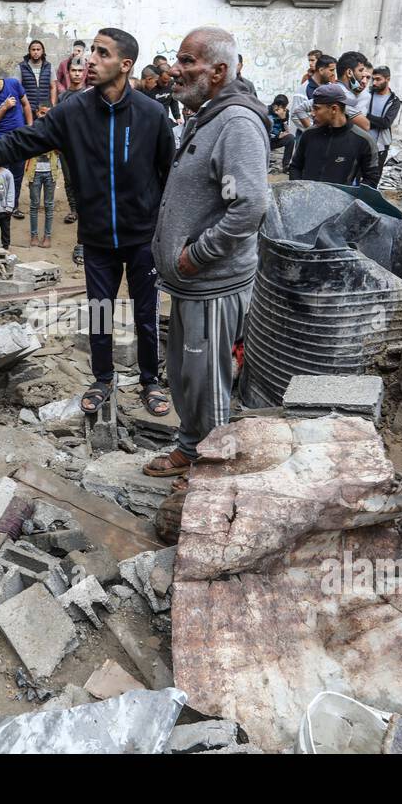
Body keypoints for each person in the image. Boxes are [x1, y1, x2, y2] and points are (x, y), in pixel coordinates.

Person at [0, 28, 175, 419]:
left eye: (102, 53)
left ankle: (150, 381)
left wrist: (165, 232)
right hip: (96, 238)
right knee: (99, 310)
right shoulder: (73, 111)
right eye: (90, 51)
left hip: (143, 236)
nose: (89, 60)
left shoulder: (151, 114)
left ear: (125, 65)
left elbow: (167, 174)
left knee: (146, 312)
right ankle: (103, 379)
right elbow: (18, 142)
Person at [144, 27, 269, 477]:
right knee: (185, 375)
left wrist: (195, 255)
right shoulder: (208, 115)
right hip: (192, 285)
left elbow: (250, 205)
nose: (175, 70)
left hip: (213, 284)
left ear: (218, 71)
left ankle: (213, 479)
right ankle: (191, 447)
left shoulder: (236, 124)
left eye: (187, 61)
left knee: (209, 384)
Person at [289, 83, 381, 187]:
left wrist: (350, 198)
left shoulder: (363, 140)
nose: (312, 113)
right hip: (306, 200)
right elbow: (295, 167)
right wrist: (299, 189)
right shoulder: (308, 135)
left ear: (334, 109)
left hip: (340, 202)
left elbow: (371, 179)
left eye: (316, 108)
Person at [0, 69, 32, 219]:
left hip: (19, 137)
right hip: (0, 139)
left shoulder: (13, 84)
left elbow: (26, 105)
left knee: (17, 173)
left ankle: (12, 207)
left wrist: (30, 127)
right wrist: (4, 107)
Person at [54, 57, 87, 226]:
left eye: (80, 70)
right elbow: (58, 122)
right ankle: (74, 210)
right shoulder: (63, 97)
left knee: (86, 179)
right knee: (69, 180)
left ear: (85, 72)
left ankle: (86, 210)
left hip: (86, 147)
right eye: (73, 70)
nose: (77, 74)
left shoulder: (91, 94)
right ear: (68, 72)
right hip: (67, 146)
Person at [26, 105, 59, 248]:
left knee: (49, 205)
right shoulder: (32, 130)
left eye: (48, 114)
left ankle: (47, 236)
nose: (45, 116)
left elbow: (60, 149)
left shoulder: (56, 131)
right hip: (35, 172)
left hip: (50, 172)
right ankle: (34, 235)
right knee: (34, 205)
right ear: (37, 113)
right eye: (42, 113)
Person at [365, 65, 402, 170]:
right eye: (373, 79)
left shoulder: (394, 101)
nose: (374, 83)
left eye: (378, 79)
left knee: (373, 179)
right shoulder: (366, 93)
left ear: (388, 79)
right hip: (361, 143)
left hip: (380, 146)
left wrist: (364, 116)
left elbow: (386, 123)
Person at [335, 50, 373, 131]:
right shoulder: (340, 94)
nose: (363, 76)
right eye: (360, 70)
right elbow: (366, 125)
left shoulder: (330, 89)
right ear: (349, 72)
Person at [18, 39, 56, 116]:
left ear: (42, 51)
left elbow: (53, 87)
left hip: (44, 110)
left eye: (38, 49)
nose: (36, 52)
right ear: (29, 51)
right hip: (28, 109)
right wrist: (21, 107)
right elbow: (17, 88)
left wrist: (52, 105)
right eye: (33, 49)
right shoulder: (21, 67)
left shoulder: (49, 66)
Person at [266, 94, 298, 173]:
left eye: (284, 108)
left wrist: (283, 119)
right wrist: (276, 136)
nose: (283, 110)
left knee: (290, 138)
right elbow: (263, 131)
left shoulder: (285, 112)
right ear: (276, 105)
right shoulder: (266, 111)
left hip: (276, 140)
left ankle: (286, 165)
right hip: (266, 141)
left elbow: (287, 131)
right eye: (282, 107)